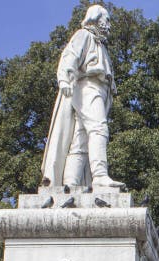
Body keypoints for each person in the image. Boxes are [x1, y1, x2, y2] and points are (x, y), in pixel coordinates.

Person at [41, 4, 124, 189]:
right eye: (107, 19)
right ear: (96, 18)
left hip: (98, 91)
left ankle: (70, 182)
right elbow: (69, 56)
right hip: (88, 87)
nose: (109, 25)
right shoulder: (84, 35)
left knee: (81, 139)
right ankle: (100, 175)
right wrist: (64, 79)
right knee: (98, 129)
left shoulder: (100, 44)